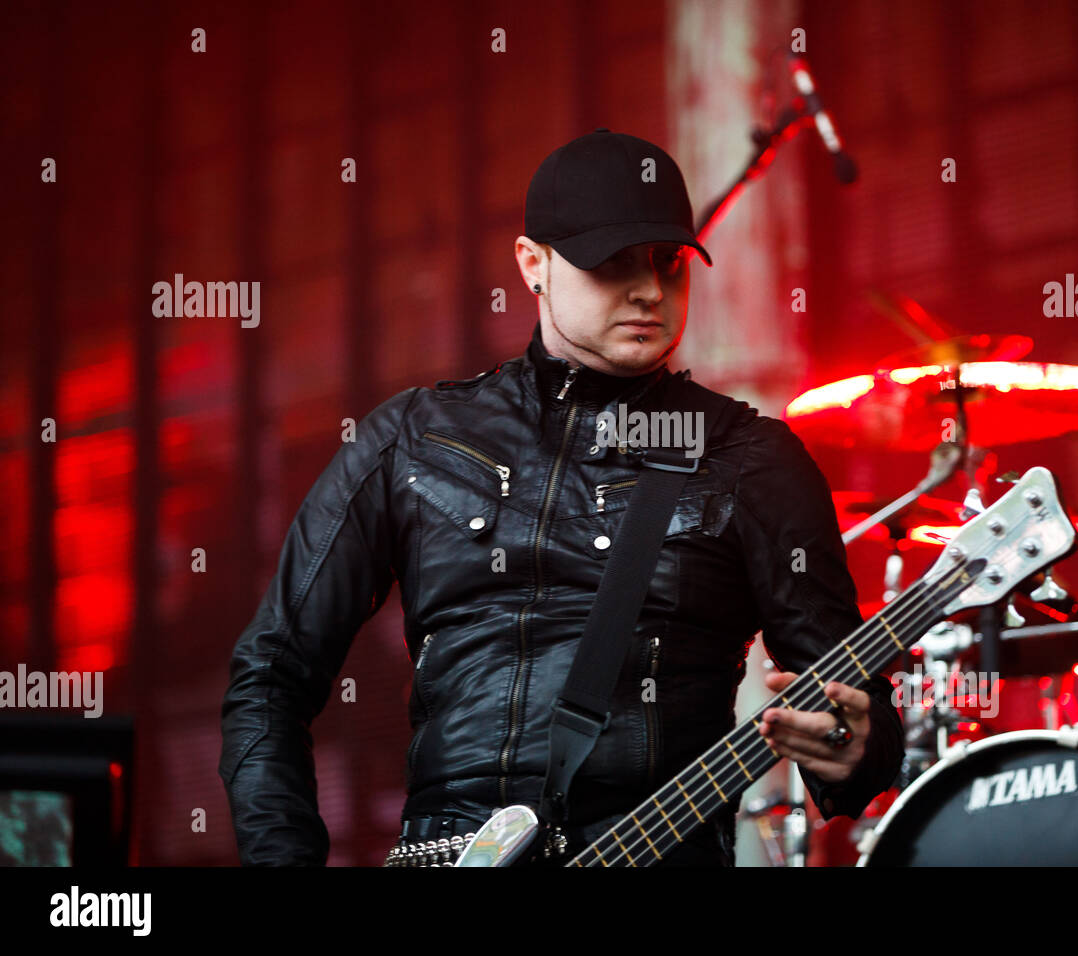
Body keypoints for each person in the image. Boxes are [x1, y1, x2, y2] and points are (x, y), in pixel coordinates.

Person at [219, 128, 903, 866]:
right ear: (532, 264)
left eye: (669, 264)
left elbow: (850, 713)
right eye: (612, 264)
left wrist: (856, 746)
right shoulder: (413, 438)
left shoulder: (751, 458)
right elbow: (270, 676)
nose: (649, 290)